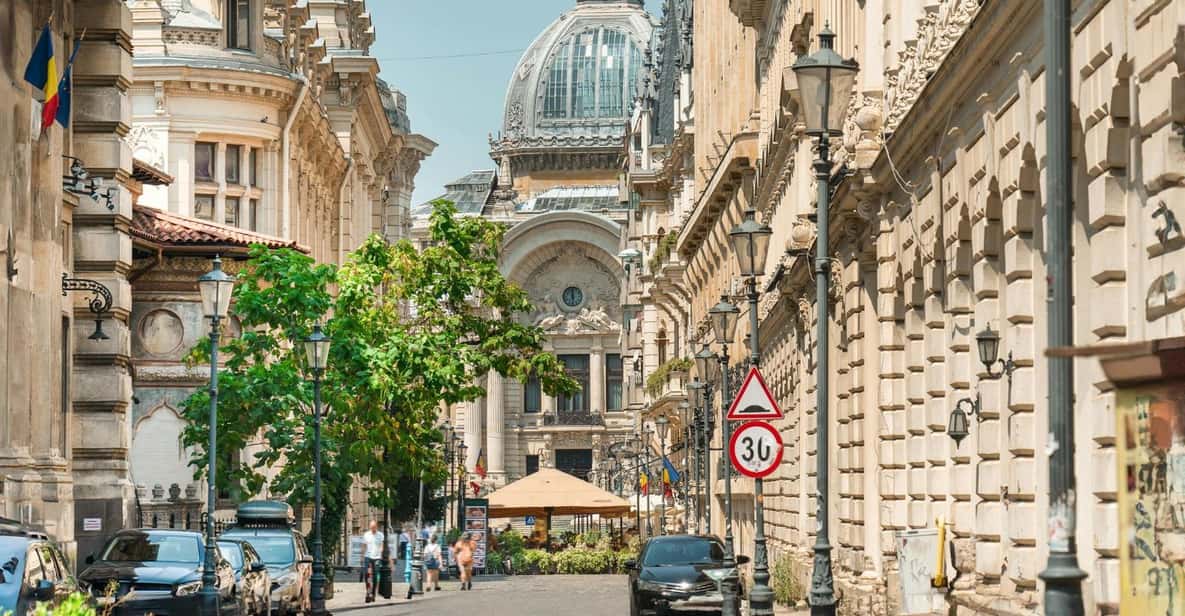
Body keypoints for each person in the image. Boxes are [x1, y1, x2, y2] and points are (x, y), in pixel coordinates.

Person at [362, 520, 385, 603]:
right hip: (368, 557)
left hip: (377, 557)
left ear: (376, 527)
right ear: (369, 527)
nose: (373, 529)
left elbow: (382, 546)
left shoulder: (380, 535)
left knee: (375, 576)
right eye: (371, 527)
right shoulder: (366, 535)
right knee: (367, 575)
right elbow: (364, 546)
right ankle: (368, 592)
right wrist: (362, 557)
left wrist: (381, 554)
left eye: (374, 527)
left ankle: (373, 593)